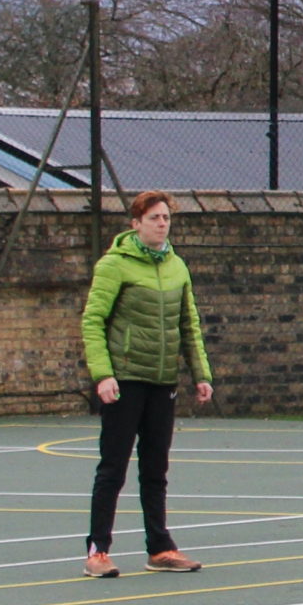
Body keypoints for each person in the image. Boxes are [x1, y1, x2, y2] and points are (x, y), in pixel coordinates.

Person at [79, 190, 212, 578]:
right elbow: (93, 321)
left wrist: (201, 374)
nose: (161, 223)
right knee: (113, 467)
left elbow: (189, 325)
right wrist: (103, 374)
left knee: (155, 468)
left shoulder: (177, 267)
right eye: (154, 217)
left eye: (166, 217)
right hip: (125, 380)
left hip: (161, 380)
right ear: (135, 223)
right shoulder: (114, 265)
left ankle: (160, 547)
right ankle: (97, 550)